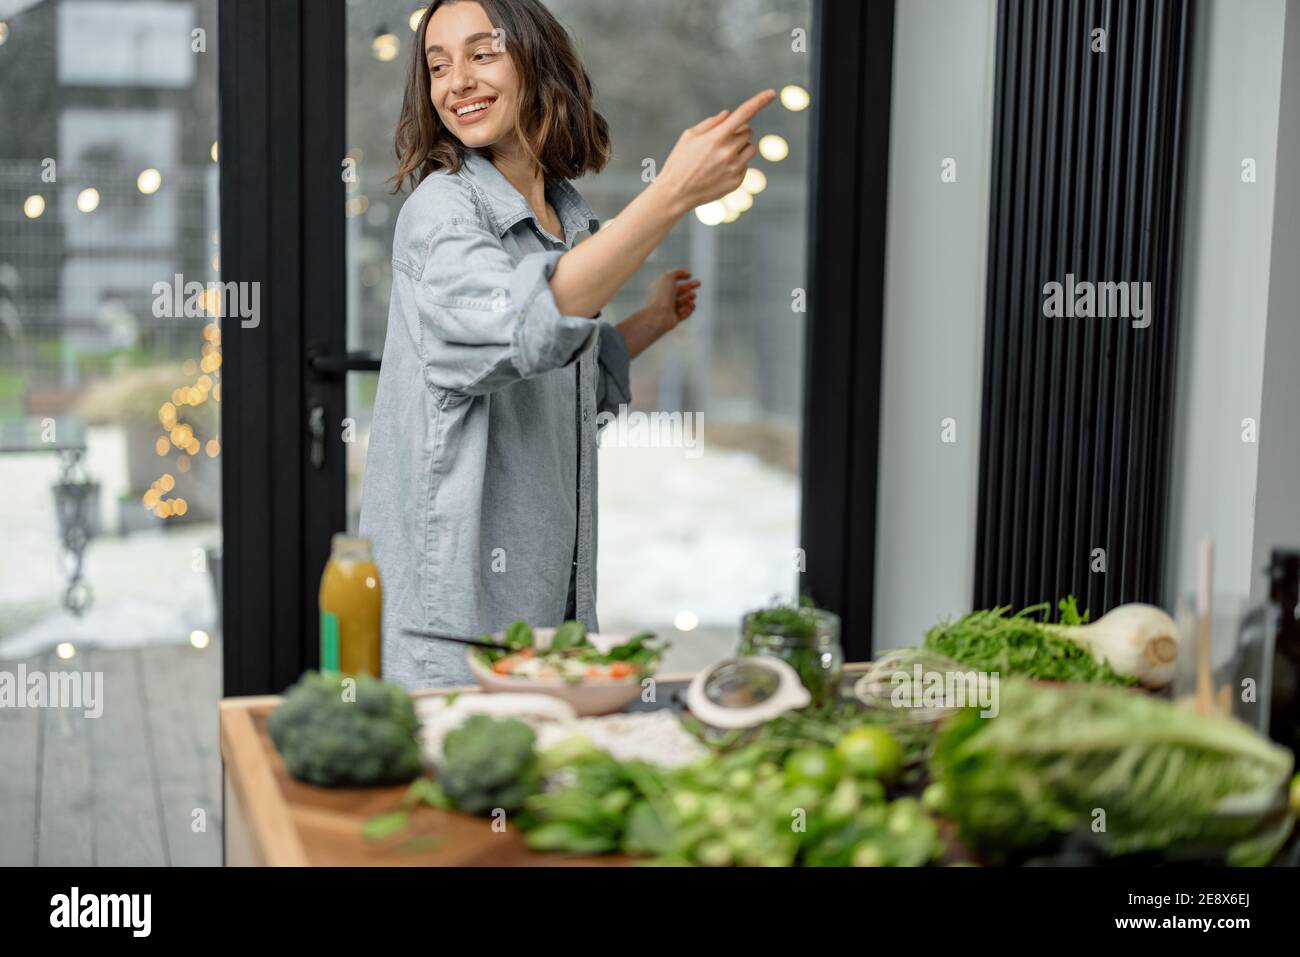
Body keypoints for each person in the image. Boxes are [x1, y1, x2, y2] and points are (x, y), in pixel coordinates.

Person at [359, 0, 774, 688]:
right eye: (437, 66)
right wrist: (671, 192)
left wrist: (646, 323)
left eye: (481, 53)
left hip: (545, 617)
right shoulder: (442, 213)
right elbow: (521, 327)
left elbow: (557, 381)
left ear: (536, 61)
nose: (455, 80)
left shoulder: (565, 217)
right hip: (458, 633)